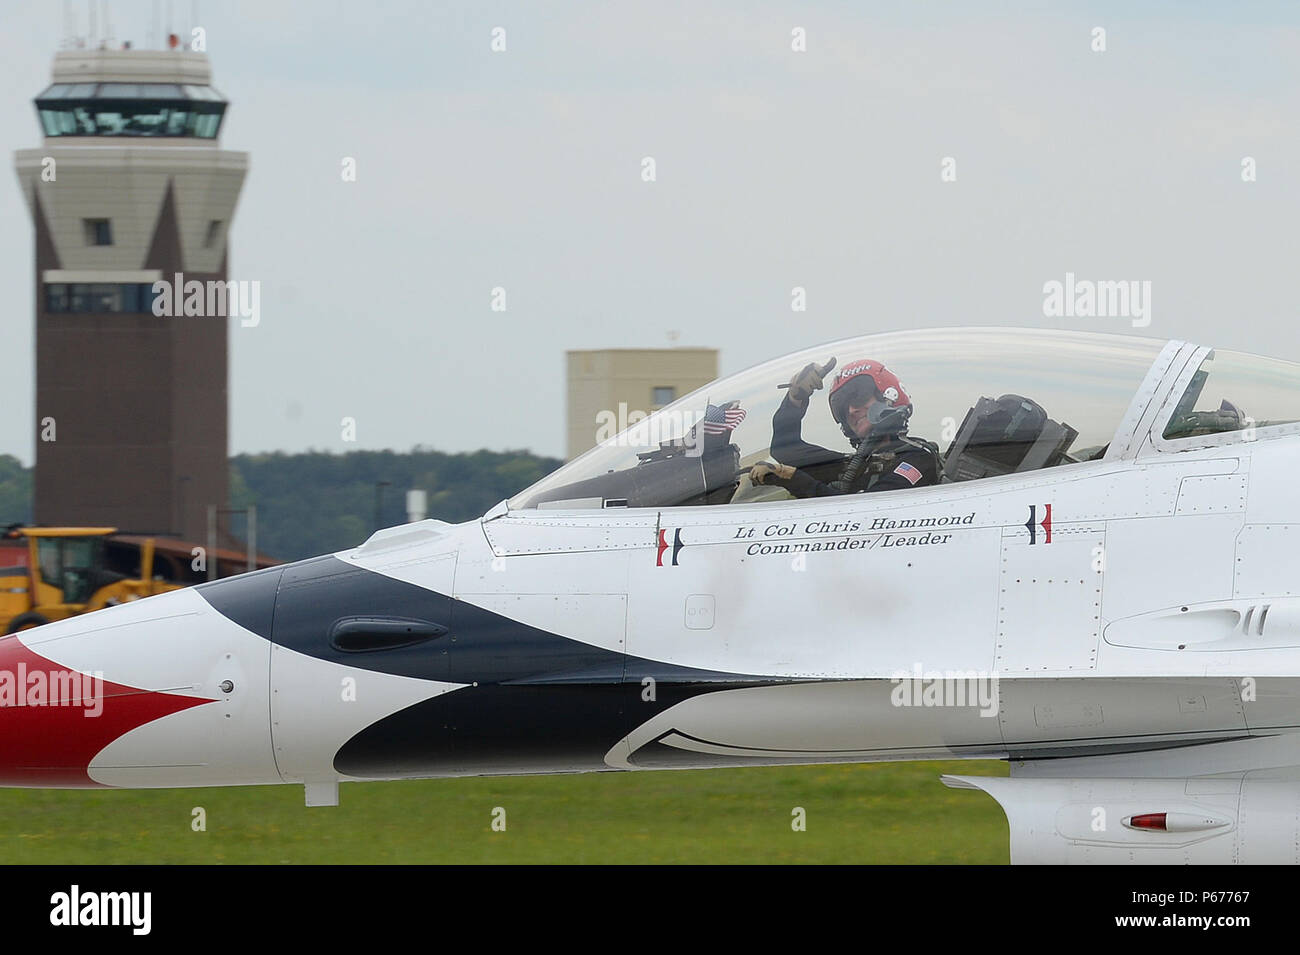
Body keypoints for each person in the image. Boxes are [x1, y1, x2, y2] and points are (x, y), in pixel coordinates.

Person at [749, 356, 940, 496]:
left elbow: (867, 514)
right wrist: (795, 398)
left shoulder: (918, 458)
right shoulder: (856, 463)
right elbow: (785, 449)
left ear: (888, 395)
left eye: (858, 396)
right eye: (842, 406)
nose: (850, 410)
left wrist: (793, 478)